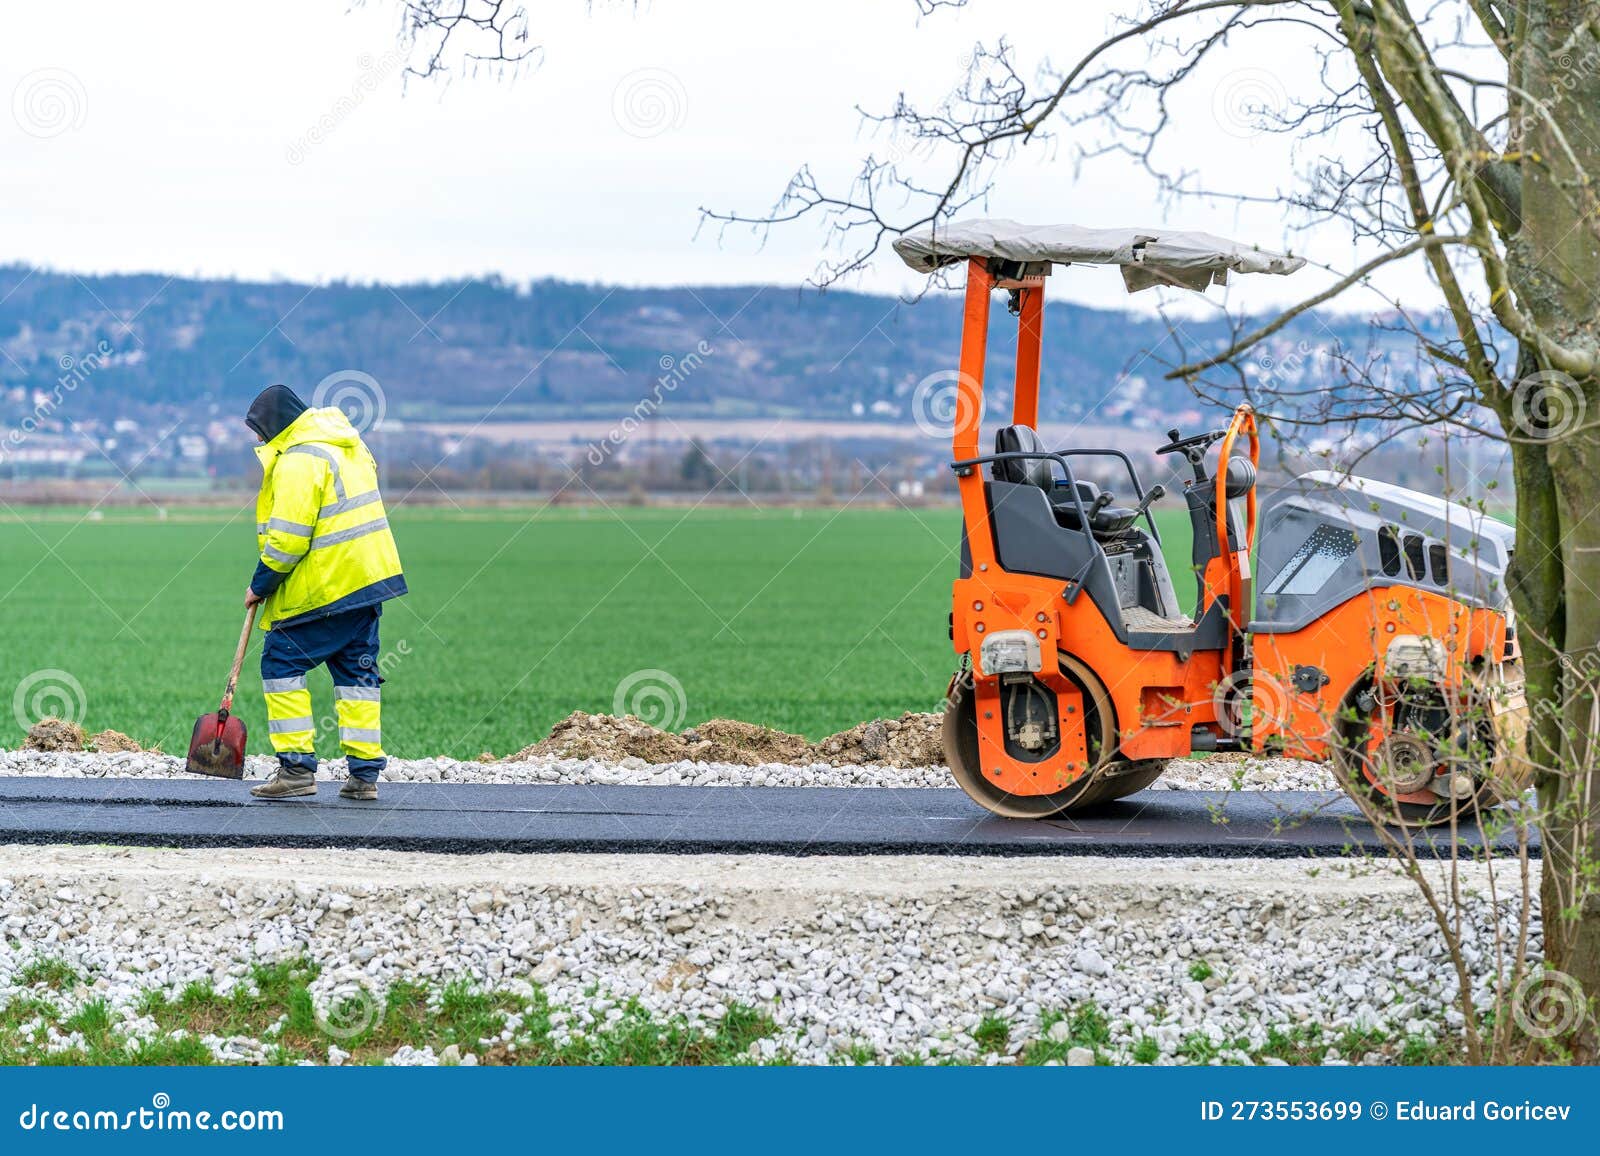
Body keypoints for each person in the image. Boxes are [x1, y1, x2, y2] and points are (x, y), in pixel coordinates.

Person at [243, 384, 407, 801]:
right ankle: (364, 776)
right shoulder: (347, 445)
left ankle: (296, 770)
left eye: (258, 431)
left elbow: (289, 540)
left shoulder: (299, 460)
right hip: (368, 584)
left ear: (274, 426)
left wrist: (259, 583)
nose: (257, 440)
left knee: (280, 664)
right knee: (358, 679)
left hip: (327, 586)